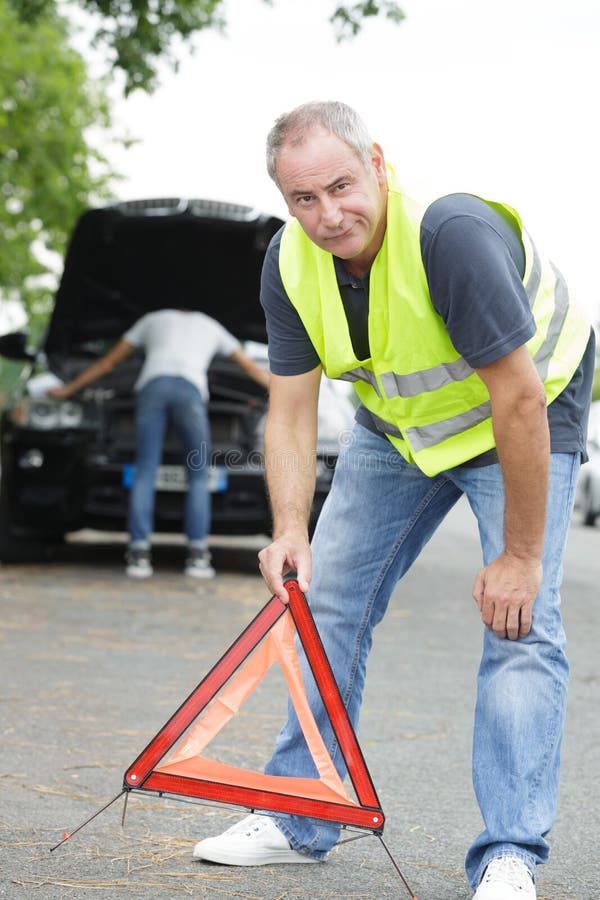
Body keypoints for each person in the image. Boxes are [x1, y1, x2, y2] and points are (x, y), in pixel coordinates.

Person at [190, 102, 596, 898]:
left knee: (519, 620)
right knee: (324, 598)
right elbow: (292, 407)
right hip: (401, 429)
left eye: (341, 186)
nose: (327, 214)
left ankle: (510, 855)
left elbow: (516, 399)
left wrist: (517, 558)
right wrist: (288, 528)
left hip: (525, 413)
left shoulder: (450, 239)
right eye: (303, 199)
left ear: (377, 163)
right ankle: (299, 814)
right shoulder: (289, 263)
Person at [48, 308, 270, 579]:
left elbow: (108, 363)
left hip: (152, 388)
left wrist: (67, 391)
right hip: (190, 390)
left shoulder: (151, 320)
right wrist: (290, 392)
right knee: (199, 475)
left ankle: (139, 554)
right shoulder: (210, 325)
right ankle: (198, 556)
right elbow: (250, 367)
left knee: (145, 471)